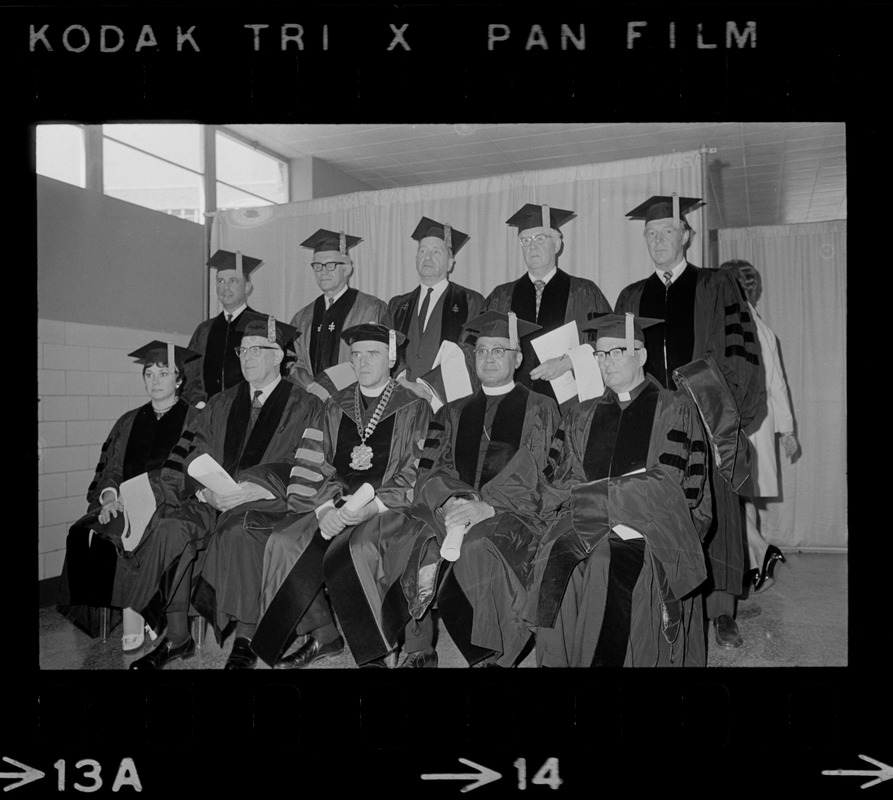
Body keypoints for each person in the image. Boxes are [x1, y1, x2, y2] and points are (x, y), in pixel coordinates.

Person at [121, 314, 324, 669]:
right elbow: (195, 451)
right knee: (169, 528)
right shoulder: (220, 402)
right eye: (241, 350)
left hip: (269, 502)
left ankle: (245, 639)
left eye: (255, 350)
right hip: (214, 500)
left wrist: (256, 488)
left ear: (278, 356)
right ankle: (177, 638)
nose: (245, 357)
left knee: (236, 531)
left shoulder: (305, 404)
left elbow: (308, 464)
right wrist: (206, 493)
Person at [615, 195, 765, 649]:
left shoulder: (718, 285)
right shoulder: (630, 296)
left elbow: (741, 350)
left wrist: (729, 412)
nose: (659, 240)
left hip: (706, 413)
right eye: (651, 233)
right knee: (660, 503)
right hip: (654, 416)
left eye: (667, 232)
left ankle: (721, 611)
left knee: (717, 505)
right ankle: (662, 595)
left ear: (686, 235)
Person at [525, 313, 710, 667]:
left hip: (655, 528)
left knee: (605, 561)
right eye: (600, 354)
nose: (606, 363)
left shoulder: (675, 407)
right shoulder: (583, 413)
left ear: (640, 355)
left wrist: (603, 501)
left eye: (617, 352)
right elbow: (565, 478)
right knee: (555, 551)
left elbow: (674, 487)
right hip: (588, 519)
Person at [243, 323, 432, 670]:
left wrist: (369, 507)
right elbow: (311, 462)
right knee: (284, 540)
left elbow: (416, 471)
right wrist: (327, 507)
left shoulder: (413, 407)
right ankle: (324, 634)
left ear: (390, 359)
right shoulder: (333, 405)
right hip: (334, 504)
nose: (361, 363)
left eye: (371, 354)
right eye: (356, 355)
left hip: (387, 508)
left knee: (356, 549)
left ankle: (378, 648)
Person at [401, 311, 560, 667]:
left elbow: (541, 474)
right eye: (482, 351)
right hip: (452, 510)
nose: (488, 358)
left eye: (498, 351)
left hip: (514, 513)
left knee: (478, 545)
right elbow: (431, 469)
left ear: (517, 358)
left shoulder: (541, 409)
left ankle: (494, 655)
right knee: (413, 536)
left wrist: (486, 506)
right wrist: (452, 501)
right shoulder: (452, 412)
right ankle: (420, 648)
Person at [55, 341, 200, 647]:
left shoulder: (194, 419)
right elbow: (112, 469)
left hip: (172, 503)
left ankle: (136, 609)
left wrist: (150, 497)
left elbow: (193, 472)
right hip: (124, 502)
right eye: (149, 374)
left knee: (145, 530)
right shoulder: (130, 420)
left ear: (178, 380)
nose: (155, 380)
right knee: (87, 531)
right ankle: (132, 609)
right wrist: (108, 497)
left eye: (164, 373)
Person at [473, 203, 611, 405]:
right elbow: (478, 347)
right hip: (511, 402)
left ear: (556, 244)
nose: (532, 246)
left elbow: (607, 342)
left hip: (569, 403)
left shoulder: (584, 292)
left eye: (540, 238)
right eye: (525, 240)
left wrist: (569, 361)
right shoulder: (501, 296)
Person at [721, 259, 799, 592]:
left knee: (731, 495)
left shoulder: (737, 324)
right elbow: (778, 383)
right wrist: (786, 430)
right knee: (743, 496)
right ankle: (754, 564)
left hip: (743, 421)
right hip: (760, 424)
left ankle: (762, 551)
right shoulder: (761, 325)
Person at [387, 217, 483, 402]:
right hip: (401, 396)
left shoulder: (470, 302)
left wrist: (431, 386)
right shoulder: (397, 305)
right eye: (422, 251)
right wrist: (403, 381)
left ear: (450, 263)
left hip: (447, 400)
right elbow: (386, 347)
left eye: (436, 252)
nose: (427, 257)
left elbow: (470, 351)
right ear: (416, 259)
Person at [288, 229, 390, 400]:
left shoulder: (371, 309)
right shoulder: (303, 318)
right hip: (311, 401)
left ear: (347, 268)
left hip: (356, 401)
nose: (323, 272)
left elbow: (377, 358)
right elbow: (292, 361)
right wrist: (311, 385)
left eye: (330, 265)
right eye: (317, 266)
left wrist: (329, 386)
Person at [182, 249, 264, 407]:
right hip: (208, 413)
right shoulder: (204, 330)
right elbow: (190, 374)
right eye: (220, 281)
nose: (226, 288)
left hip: (250, 413)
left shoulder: (261, 325)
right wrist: (199, 402)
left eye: (233, 281)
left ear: (248, 287)